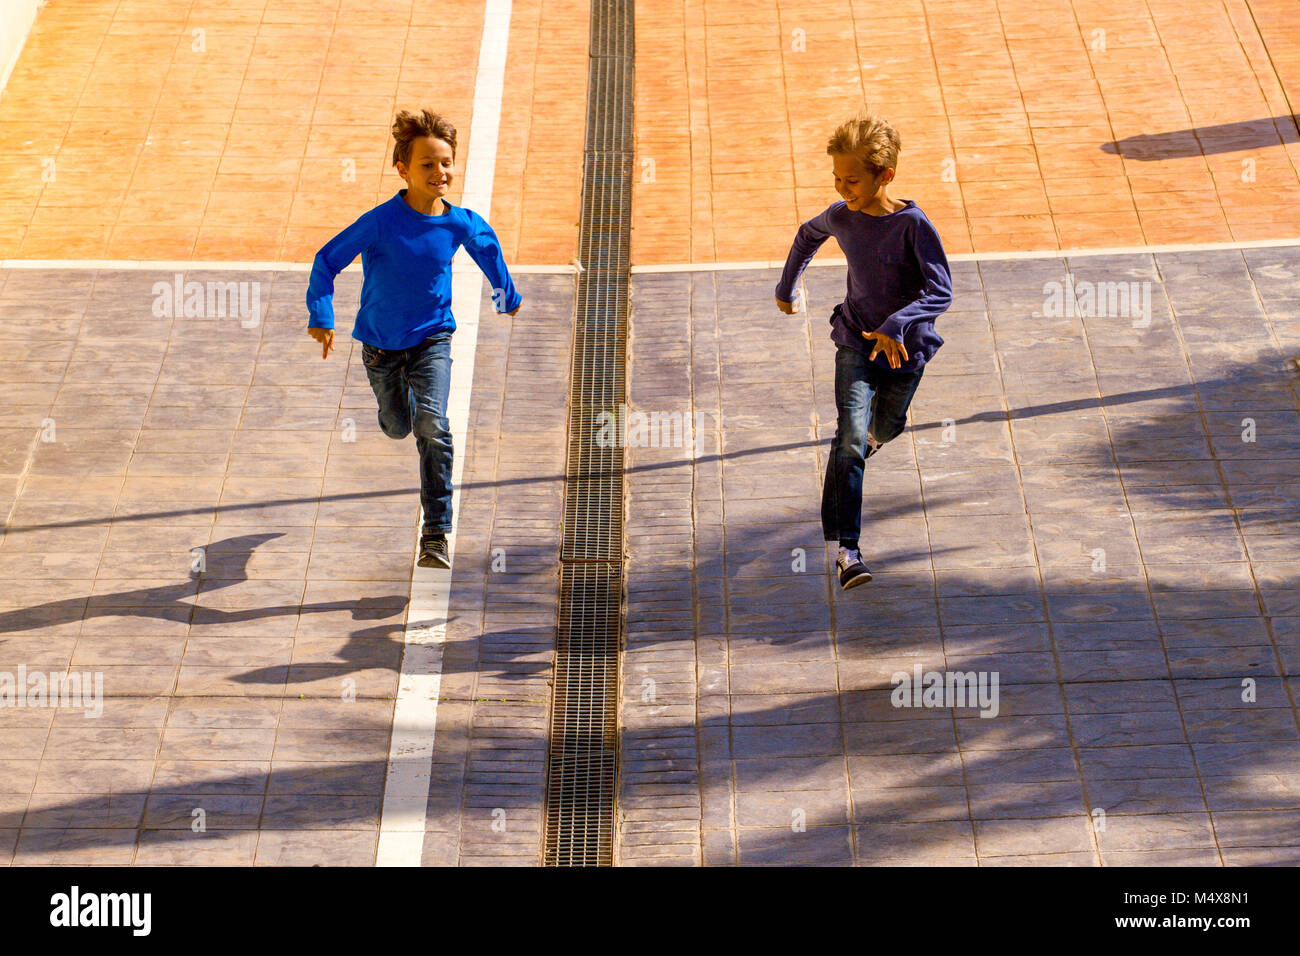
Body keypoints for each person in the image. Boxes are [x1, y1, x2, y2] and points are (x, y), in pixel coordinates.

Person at [306, 109, 521, 569]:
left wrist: (506, 295)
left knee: (433, 426)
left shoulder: (459, 222)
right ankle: (395, 405)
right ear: (402, 169)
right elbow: (327, 260)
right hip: (380, 349)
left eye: (445, 162)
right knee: (398, 426)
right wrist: (321, 315)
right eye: (427, 164)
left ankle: (435, 535)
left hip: (432, 341)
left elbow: (487, 247)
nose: (439, 172)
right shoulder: (380, 222)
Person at [775, 112, 952, 590]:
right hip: (854, 339)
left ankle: (863, 447)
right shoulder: (842, 217)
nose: (841, 188)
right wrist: (787, 286)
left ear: (885, 175)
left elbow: (942, 292)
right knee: (849, 436)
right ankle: (847, 551)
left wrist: (897, 325)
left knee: (884, 428)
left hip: (904, 352)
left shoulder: (914, 226)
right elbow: (807, 234)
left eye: (851, 180)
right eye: (836, 178)